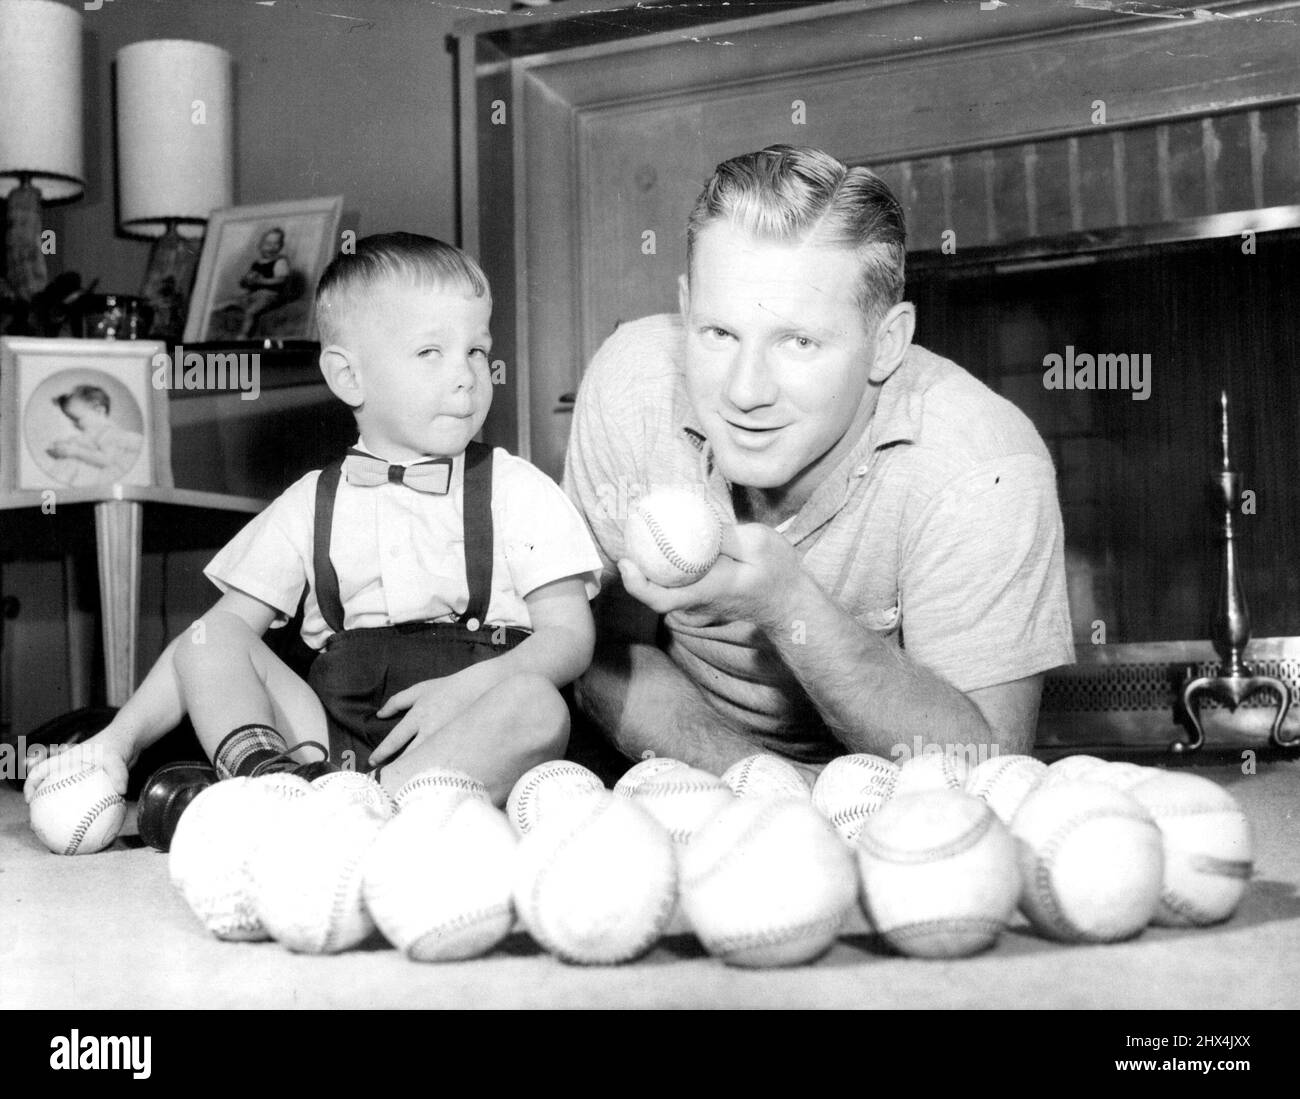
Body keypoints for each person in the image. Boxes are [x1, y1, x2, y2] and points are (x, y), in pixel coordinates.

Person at [26, 232, 602, 844]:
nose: (467, 377)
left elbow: (569, 637)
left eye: (477, 351)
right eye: (431, 351)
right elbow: (207, 641)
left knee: (538, 707)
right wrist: (116, 741)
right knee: (211, 634)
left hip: (465, 733)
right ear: (348, 376)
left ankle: (362, 814)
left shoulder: (516, 488)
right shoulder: (311, 502)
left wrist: (470, 686)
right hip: (331, 749)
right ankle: (270, 781)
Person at [563, 145, 1075, 786]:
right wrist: (771, 793)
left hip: (907, 810)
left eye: (799, 342)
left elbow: (987, 770)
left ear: (886, 344)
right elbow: (600, 656)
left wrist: (788, 604)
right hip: (685, 771)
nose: (744, 392)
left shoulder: (981, 463)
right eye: (718, 333)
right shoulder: (631, 381)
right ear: (687, 305)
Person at [45, 384, 144, 486]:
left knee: (73, 463)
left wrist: (74, 451)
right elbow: (85, 445)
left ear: (99, 411)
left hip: (106, 476)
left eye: (77, 419)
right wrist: (62, 449)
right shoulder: (94, 433)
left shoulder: (110, 433)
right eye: (71, 420)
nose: (74, 424)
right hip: (94, 471)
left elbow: (107, 460)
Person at [232, 227, 294, 339]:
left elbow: (281, 280)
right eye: (268, 243)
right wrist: (246, 281)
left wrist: (262, 281)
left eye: (276, 244)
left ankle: (244, 335)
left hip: (270, 294)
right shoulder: (257, 263)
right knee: (236, 301)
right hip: (255, 293)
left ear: (280, 246)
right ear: (261, 245)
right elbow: (249, 279)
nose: (272, 247)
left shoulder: (280, 261)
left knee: (251, 312)